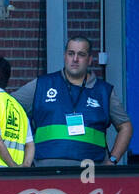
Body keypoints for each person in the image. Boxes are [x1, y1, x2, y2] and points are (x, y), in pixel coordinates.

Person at [11, 37, 132, 166]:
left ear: (90, 59)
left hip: (91, 173)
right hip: (44, 171)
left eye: (81, 54)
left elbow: (125, 126)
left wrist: (112, 160)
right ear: (64, 56)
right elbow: (8, 108)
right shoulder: (42, 84)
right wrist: (25, 151)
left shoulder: (104, 91)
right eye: (71, 53)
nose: (75, 59)